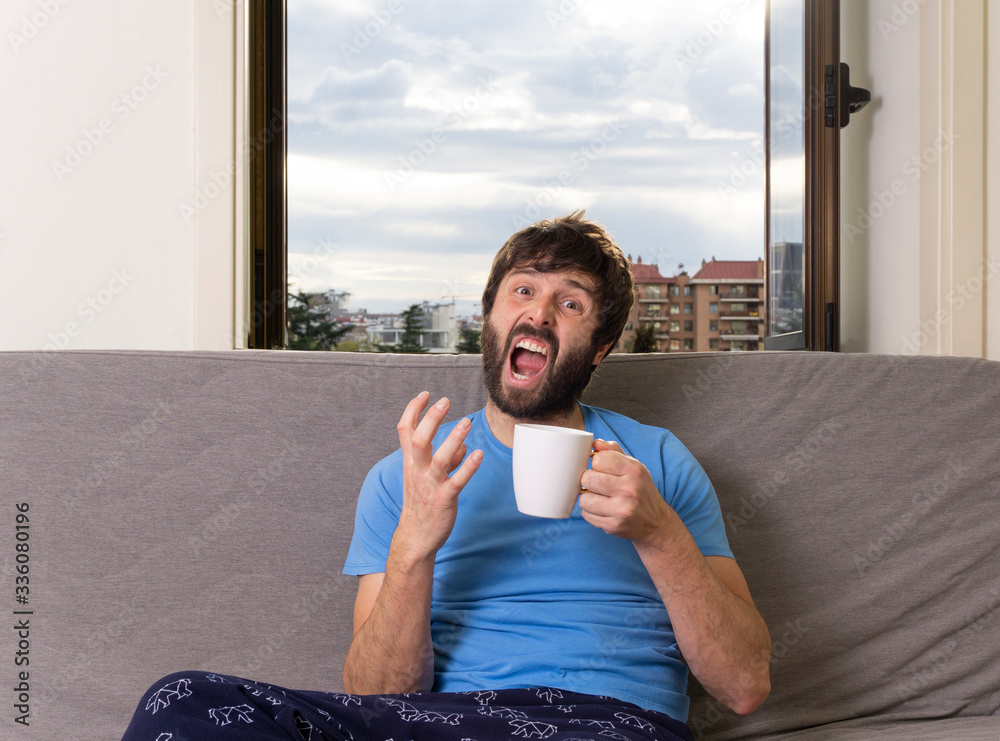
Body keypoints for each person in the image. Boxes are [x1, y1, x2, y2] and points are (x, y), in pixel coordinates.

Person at [121, 212, 770, 741]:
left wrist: (658, 533)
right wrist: (416, 540)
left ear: (599, 347)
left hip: (601, 722)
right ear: (490, 318)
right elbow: (376, 694)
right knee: (182, 701)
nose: (540, 313)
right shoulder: (407, 477)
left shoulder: (657, 463)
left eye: (570, 302)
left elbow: (744, 685)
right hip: (435, 724)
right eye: (523, 291)